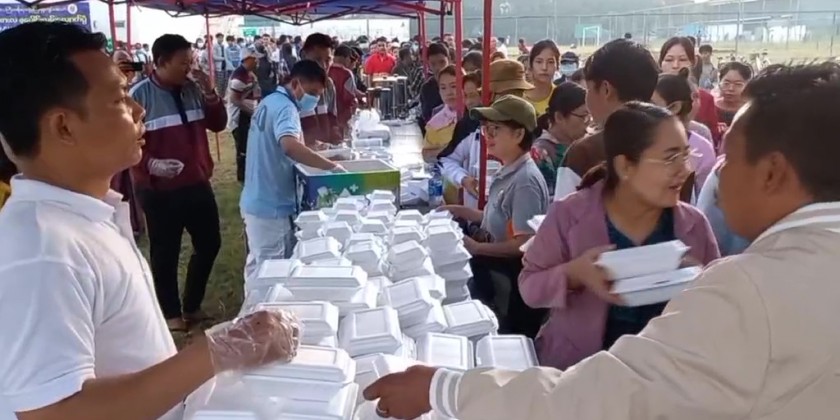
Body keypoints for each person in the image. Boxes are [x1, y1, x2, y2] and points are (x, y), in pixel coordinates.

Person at [362, 63, 840, 420]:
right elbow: (534, 287)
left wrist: (443, 390)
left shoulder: (741, 279)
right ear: (626, 164)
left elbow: (599, 398)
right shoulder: (575, 214)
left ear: (773, 172)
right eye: (669, 157)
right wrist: (572, 276)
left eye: (727, 157)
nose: (701, 169)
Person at [0, 21, 301, 420]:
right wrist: (218, 350)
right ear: (63, 126)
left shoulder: (82, 218)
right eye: (120, 99)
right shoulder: (40, 249)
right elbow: (53, 412)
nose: (138, 109)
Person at [130, 34, 227, 332]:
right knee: (166, 251)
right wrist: (150, 164)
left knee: (210, 243)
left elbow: (218, 124)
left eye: (191, 61)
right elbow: (124, 142)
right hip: (158, 190)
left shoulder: (192, 89)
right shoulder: (139, 95)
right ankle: (171, 314)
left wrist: (210, 93)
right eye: (183, 62)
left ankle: (192, 305)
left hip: (196, 181)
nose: (189, 68)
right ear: (160, 63)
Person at [441, 95, 550, 338]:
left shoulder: (525, 182)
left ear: (519, 135)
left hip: (511, 285)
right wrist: (461, 211)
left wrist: (477, 247)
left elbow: (522, 243)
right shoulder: (509, 171)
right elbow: (498, 219)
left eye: (495, 129)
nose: (487, 136)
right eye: (485, 129)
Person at [240, 60, 346, 282]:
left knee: (257, 268)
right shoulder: (286, 108)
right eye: (313, 93)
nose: (315, 99)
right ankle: (262, 316)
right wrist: (331, 166)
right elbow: (289, 146)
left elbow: (278, 143)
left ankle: (252, 313)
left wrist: (316, 150)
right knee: (273, 275)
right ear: (296, 83)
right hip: (272, 205)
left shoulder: (270, 101)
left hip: (257, 199)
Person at [440, 60, 533, 209]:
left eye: (519, 92)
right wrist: (463, 179)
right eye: (507, 94)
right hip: (477, 211)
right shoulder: (471, 124)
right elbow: (446, 159)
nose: (514, 99)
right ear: (490, 95)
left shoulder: (532, 122)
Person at [561, 39, 659, 180]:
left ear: (606, 89)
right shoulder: (675, 144)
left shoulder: (584, 153)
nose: (586, 100)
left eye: (588, 90)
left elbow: (564, 202)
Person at [652, 68, 716, 193]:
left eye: (651, 104)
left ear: (675, 107)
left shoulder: (701, 148)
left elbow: (703, 196)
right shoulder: (640, 140)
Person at [659, 36, 722, 148]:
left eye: (682, 60)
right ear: (660, 63)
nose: (675, 65)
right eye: (669, 60)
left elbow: (713, 137)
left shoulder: (705, 99)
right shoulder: (648, 94)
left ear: (693, 62)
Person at [531, 82, 588, 196]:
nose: (589, 122)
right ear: (559, 117)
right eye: (583, 117)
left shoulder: (585, 146)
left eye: (590, 116)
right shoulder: (541, 153)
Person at [299, 33, 342, 147]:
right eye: (317, 59)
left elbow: (332, 120)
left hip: (325, 153)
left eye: (328, 60)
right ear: (304, 56)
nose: (323, 66)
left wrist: (338, 140)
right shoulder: (294, 88)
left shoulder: (329, 85)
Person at [227, 49, 262, 184]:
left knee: (251, 146)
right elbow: (235, 100)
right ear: (247, 59)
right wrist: (253, 113)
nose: (257, 61)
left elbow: (256, 92)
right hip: (239, 117)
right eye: (255, 59)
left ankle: (250, 174)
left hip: (249, 113)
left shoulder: (250, 74)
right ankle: (243, 177)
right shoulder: (238, 77)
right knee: (243, 148)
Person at [423, 65, 462, 162]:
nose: (449, 92)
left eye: (454, 86)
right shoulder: (435, 122)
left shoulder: (473, 117)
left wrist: (440, 152)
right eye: (443, 88)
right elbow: (426, 155)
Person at [418, 43, 450, 134]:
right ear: (428, 64)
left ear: (449, 60)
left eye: (442, 62)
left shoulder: (460, 83)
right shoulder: (426, 88)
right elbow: (427, 116)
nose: (438, 67)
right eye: (433, 64)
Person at [329, 45, 361, 136]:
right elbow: (349, 97)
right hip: (343, 114)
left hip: (328, 114)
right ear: (347, 58)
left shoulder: (326, 70)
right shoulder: (346, 73)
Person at [523, 40, 560, 116]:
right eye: (539, 62)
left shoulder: (561, 97)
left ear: (557, 66)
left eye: (550, 62)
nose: (544, 67)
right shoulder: (518, 97)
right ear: (531, 65)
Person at [715, 61, 752, 130]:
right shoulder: (710, 107)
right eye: (726, 83)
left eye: (738, 84)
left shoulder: (752, 110)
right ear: (719, 83)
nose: (731, 88)